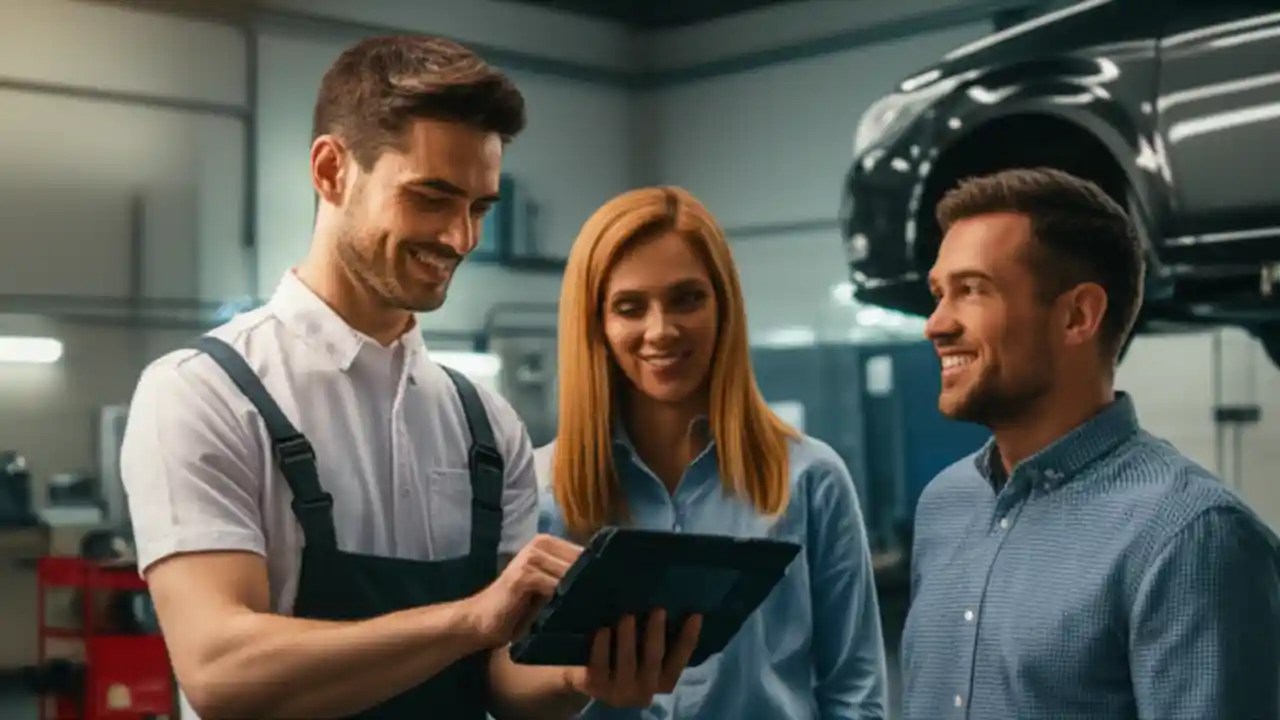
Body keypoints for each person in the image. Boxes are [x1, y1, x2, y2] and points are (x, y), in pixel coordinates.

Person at [118, 35, 700, 720]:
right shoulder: (205, 392)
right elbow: (220, 669)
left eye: (480, 207)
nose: (461, 238)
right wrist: (470, 620)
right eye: (431, 198)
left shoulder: (486, 425)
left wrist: (578, 675)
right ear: (332, 170)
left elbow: (501, 681)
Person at [903, 167, 1280, 719]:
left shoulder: (1190, 536)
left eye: (971, 290)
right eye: (939, 294)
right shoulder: (945, 504)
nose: (935, 324)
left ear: (1078, 315)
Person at [534, 185, 890, 719]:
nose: (661, 330)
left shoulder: (810, 479)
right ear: (597, 326)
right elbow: (507, 692)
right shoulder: (545, 490)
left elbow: (855, 692)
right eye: (630, 308)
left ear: (723, 306)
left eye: (686, 299)